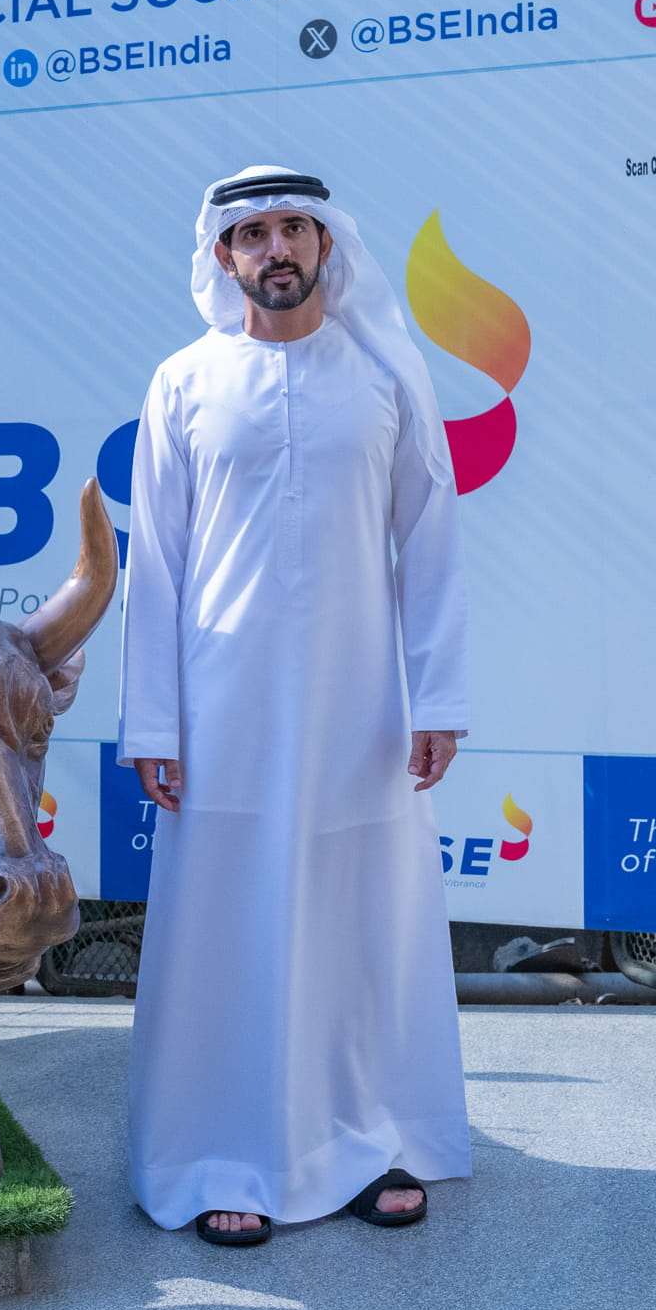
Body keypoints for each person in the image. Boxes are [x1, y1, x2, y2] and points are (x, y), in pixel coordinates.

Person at [118, 165, 472, 1247]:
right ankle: (221, 1153)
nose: (276, 249)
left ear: (326, 247)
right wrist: (154, 721)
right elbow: (158, 568)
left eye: (293, 230)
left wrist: (438, 694)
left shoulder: (384, 379)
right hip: (222, 718)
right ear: (223, 257)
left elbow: (433, 541)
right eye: (253, 233)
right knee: (227, 936)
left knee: (359, 927)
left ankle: (366, 1143)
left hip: (358, 709)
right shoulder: (182, 382)